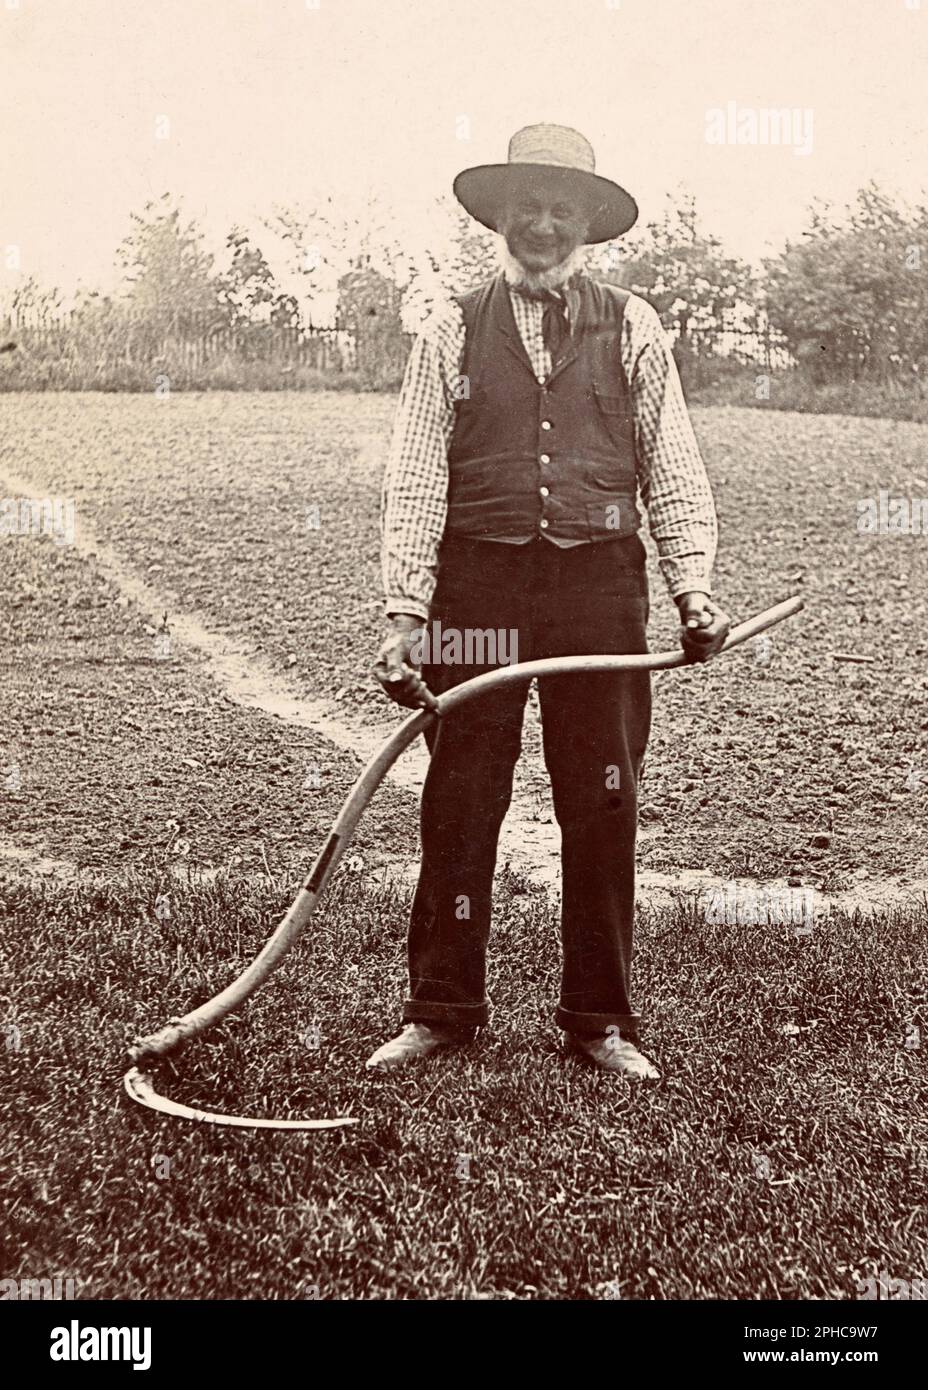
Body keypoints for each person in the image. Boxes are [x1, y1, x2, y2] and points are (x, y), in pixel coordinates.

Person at [370, 124, 729, 1080]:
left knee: (602, 800)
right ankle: (441, 1008)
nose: (542, 224)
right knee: (461, 796)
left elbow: (672, 467)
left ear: (587, 223)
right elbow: (414, 474)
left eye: (561, 208)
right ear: (502, 216)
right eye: (527, 205)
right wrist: (408, 610)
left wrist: (692, 587)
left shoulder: (636, 323)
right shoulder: (451, 320)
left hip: (598, 590)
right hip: (478, 587)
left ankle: (599, 1020)